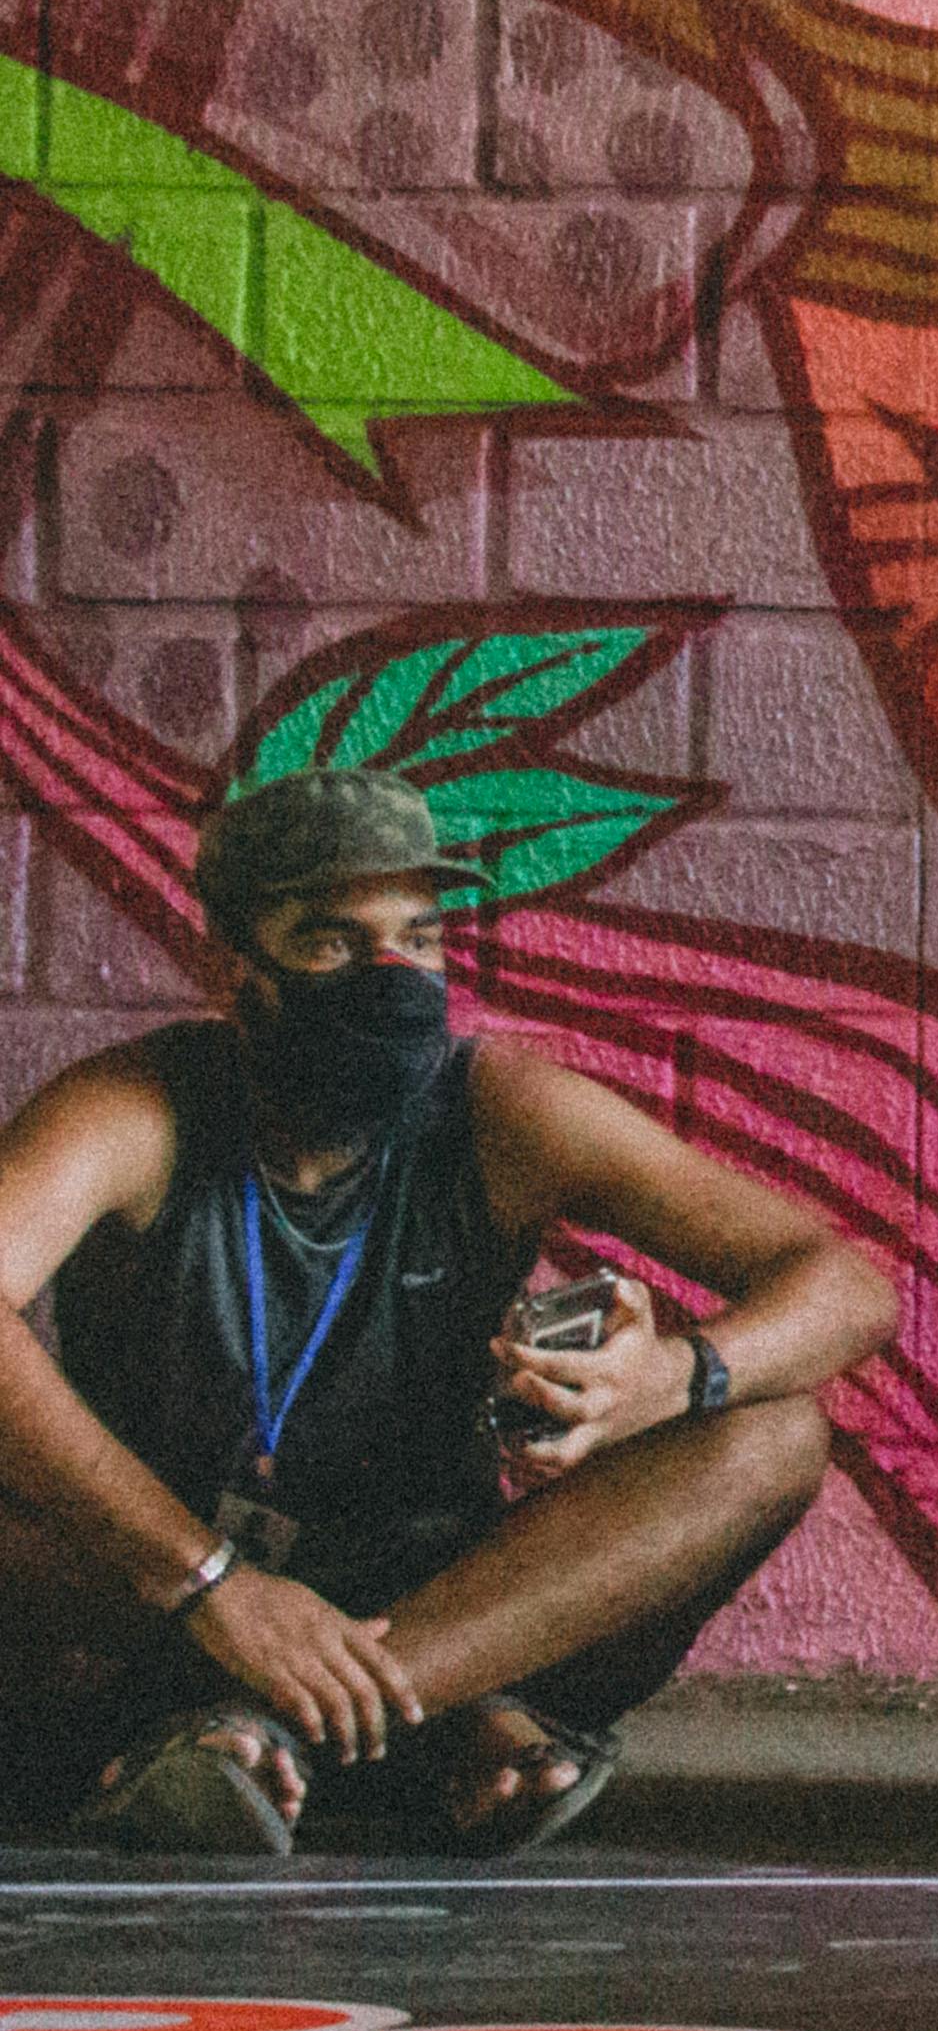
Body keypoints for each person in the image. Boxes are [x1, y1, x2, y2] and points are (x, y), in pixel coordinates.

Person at [0, 770, 891, 1855]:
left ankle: (279, 1732)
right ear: (234, 972)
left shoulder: (503, 1111)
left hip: (446, 1600)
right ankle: (437, 1739)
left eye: (417, 937)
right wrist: (211, 1584)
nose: (391, 975)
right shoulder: (137, 1109)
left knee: (771, 1435)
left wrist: (677, 1374)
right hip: (160, 1589)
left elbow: (844, 1284)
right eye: (331, 941)